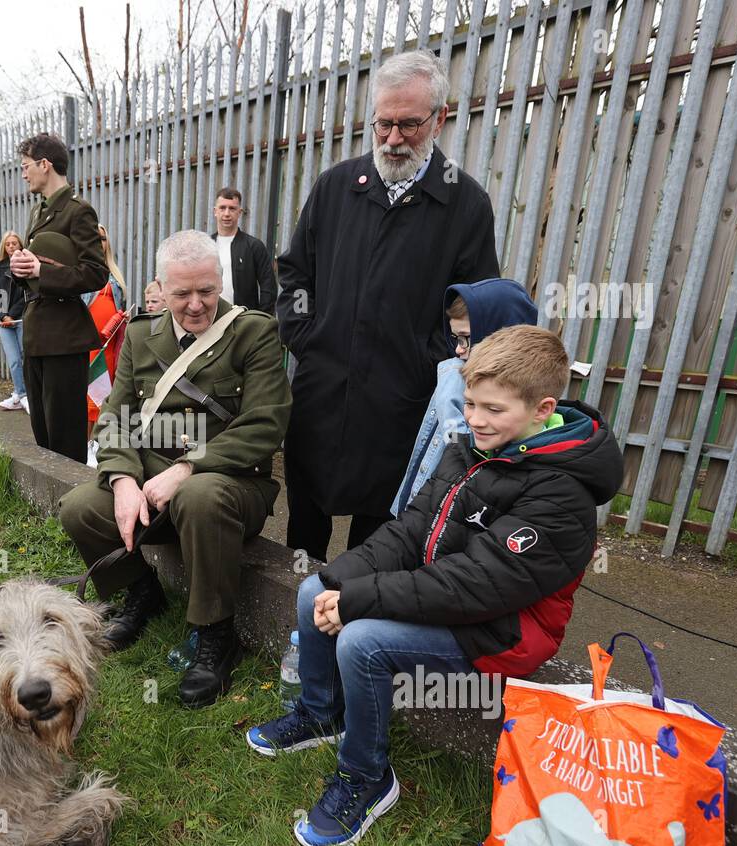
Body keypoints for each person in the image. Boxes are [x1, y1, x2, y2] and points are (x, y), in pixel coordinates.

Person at [246, 325, 624, 846]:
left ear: (542, 409)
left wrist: (361, 600)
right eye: (469, 403)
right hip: (450, 598)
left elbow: (476, 587)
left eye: (493, 409)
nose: (474, 419)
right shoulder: (472, 448)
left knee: (363, 641)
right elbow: (408, 532)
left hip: (505, 630)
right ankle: (320, 714)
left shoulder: (561, 495)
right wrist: (340, 580)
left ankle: (367, 777)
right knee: (314, 589)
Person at [277, 49, 499, 562]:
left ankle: (352, 620)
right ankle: (295, 610)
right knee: (306, 515)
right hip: (323, 389)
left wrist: (426, 361)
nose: (394, 139)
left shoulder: (464, 204)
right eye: (383, 125)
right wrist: (306, 336)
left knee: (380, 530)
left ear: (439, 118)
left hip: (402, 402)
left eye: (408, 125)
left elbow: (473, 308)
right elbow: (294, 274)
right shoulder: (337, 185)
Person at [59, 230, 291, 708]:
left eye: (206, 290)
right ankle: (142, 593)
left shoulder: (255, 332)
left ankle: (214, 633)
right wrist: (123, 480)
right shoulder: (143, 335)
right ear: (160, 289)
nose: (195, 305)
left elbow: (266, 424)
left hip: (229, 487)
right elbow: (114, 420)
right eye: (181, 293)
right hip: (149, 486)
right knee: (81, 507)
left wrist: (187, 469)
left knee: (199, 495)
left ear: (221, 281)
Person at [391, 278, 537, 516]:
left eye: (466, 338)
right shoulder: (456, 374)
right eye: (456, 338)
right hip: (429, 502)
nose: (459, 349)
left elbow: (467, 452)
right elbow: (444, 448)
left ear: (495, 333)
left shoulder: (517, 384)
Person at [11, 132, 108, 464]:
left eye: (26, 166)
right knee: (42, 430)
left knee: (65, 436)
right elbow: (36, 271)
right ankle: (51, 507)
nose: (23, 173)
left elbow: (96, 272)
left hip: (65, 338)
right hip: (37, 333)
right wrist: (21, 269)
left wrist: (42, 271)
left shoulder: (78, 211)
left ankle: (71, 507)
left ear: (44, 164)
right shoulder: (38, 212)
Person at [82, 223, 128, 466]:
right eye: (94, 237)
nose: (99, 242)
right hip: (87, 345)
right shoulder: (83, 273)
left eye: (102, 238)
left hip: (109, 347)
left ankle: (99, 445)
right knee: (87, 396)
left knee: (106, 396)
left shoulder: (115, 276)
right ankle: (85, 446)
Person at [210, 187, 276, 313]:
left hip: (243, 320)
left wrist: (261, 319)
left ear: (239, 212)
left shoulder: (254, 246)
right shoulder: (206, 246)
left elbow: (268, 287)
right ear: (215, 211)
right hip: (210, 318)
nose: (227, 214)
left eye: (232, 208)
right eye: (222, 208)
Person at [0, 230, 29, 411]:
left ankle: (26, 394)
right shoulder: (0, 267)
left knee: (26, 357)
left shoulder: (27, 264)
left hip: (21, 318)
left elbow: (27, 294)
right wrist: (3, 316)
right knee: (14, 360)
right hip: (5, 322)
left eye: (14, 243)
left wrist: (13, 315)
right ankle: (21, 395)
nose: (11, 246)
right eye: (8, 244)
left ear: (20, 245)